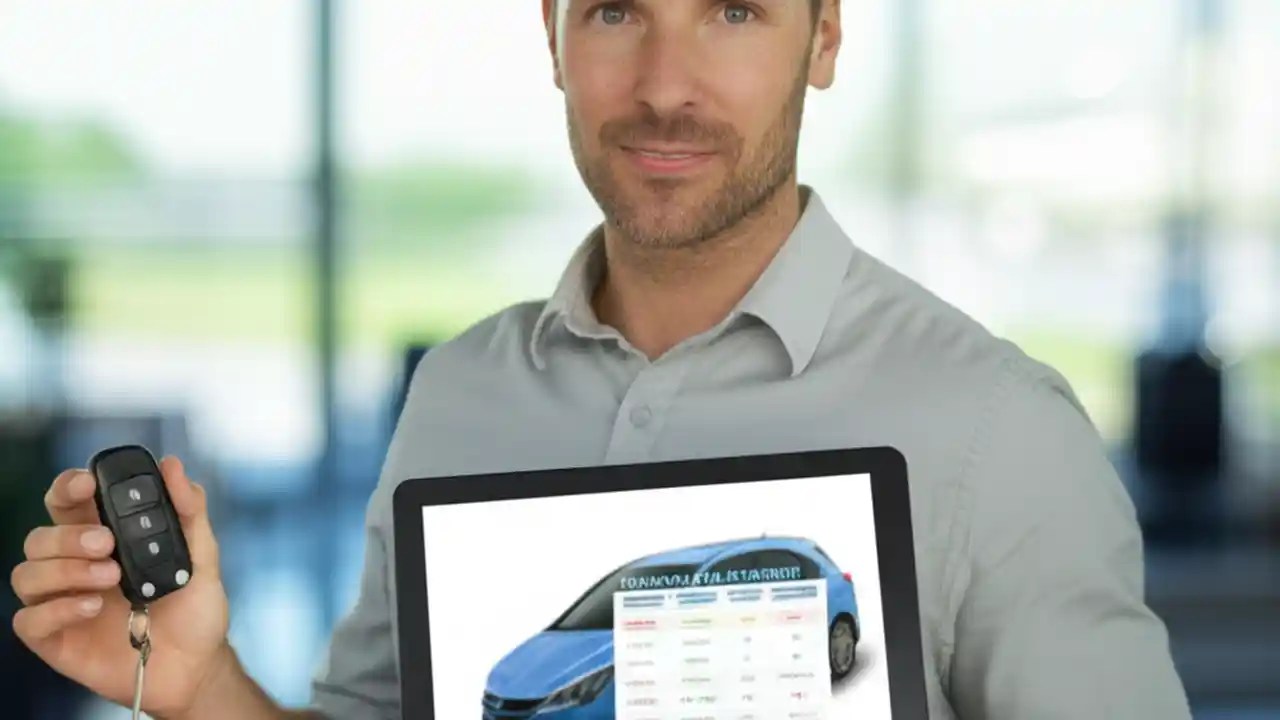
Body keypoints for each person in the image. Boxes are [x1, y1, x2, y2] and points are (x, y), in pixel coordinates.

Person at [10, 1, 1192, 718]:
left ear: (822, 36)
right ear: (554, 35)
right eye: (617, 11)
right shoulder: (459, 393)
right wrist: (198, 686)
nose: (664, 89)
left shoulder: (997, 429)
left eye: (733, 10)